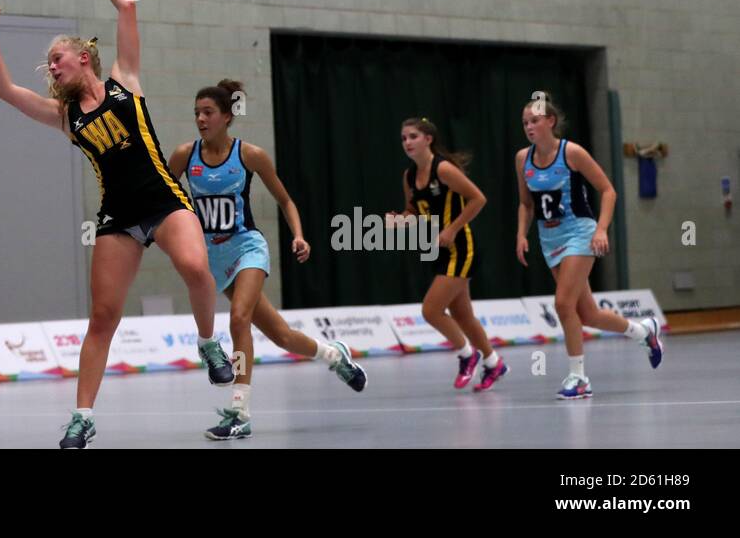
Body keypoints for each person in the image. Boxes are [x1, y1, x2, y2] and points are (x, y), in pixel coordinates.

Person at [0, 0, 233, 449]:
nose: (51, 66)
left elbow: (129, 8)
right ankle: (82, 416)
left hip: (164, 199)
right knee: (103, 317)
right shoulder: (64, 115)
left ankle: (207, 344)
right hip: (118, 219)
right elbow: (6, 91)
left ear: (84, 58)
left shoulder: (125, 82)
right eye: (49, 63)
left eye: (57, 58)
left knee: (197, 271)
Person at [168, 79, 366, 441]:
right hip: (215, 259)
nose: (200, 119)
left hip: (247, 247)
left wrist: (299, 234)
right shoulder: (185, 155)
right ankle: (335, 355)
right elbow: (163, 198)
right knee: (281, 335)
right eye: (196, 113)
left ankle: (239, 412)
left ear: (227, 117)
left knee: (239, 318)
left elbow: (286, 200)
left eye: (208, 112)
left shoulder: (250, 155)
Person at [515, 92, 662, 399]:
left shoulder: (572, 153)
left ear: (551, 121)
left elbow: (608, 191)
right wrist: (521, 234)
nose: (529, 126)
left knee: (563, 304)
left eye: (535, 120)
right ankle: (644, 331)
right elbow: (526, 204)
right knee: (589, 314)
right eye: (525, 122)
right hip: (549, 238)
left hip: (579, 233)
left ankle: (578, 378)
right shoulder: (522, 159)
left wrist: (601, 230)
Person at [388, 117, 507, 391]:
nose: (407, 142)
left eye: (413, 136)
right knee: (463, 314)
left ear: (428, 139)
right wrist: (398, 220)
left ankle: (468, 354)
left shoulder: (443, 169)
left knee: (430, 310)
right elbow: (413, 211)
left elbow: (478, 198)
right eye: (404, 138)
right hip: (437, 250)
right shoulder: (408, 176)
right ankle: (493, 362)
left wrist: (452, 229)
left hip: (460, 248)